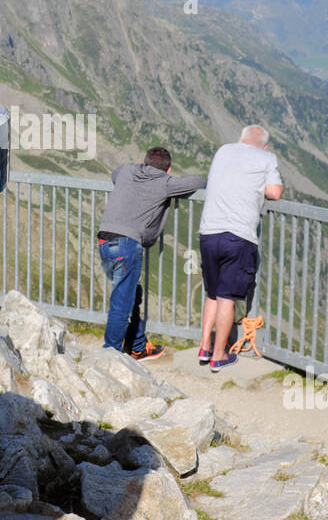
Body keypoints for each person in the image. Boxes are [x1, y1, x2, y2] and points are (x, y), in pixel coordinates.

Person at [97, 146, 206, 361]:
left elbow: (115, 174)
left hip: (104, 240)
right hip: (127, 245)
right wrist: (168, 179)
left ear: (145, 161)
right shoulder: (165, 183)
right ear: (168, 169)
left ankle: (137, 346)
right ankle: (110, 356)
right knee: (122, 303)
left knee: (131, 294)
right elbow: (199, 182)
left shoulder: (128, 170)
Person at [197, 126, 283, 373]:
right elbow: (274, 192)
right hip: (239, 235)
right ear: (264, 146)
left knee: (212, 293)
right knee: (227, 298)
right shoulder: (267, 158)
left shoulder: (223, 150)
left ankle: (204, 346)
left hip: (209, 231)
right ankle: (219, 354)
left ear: (240, 139)